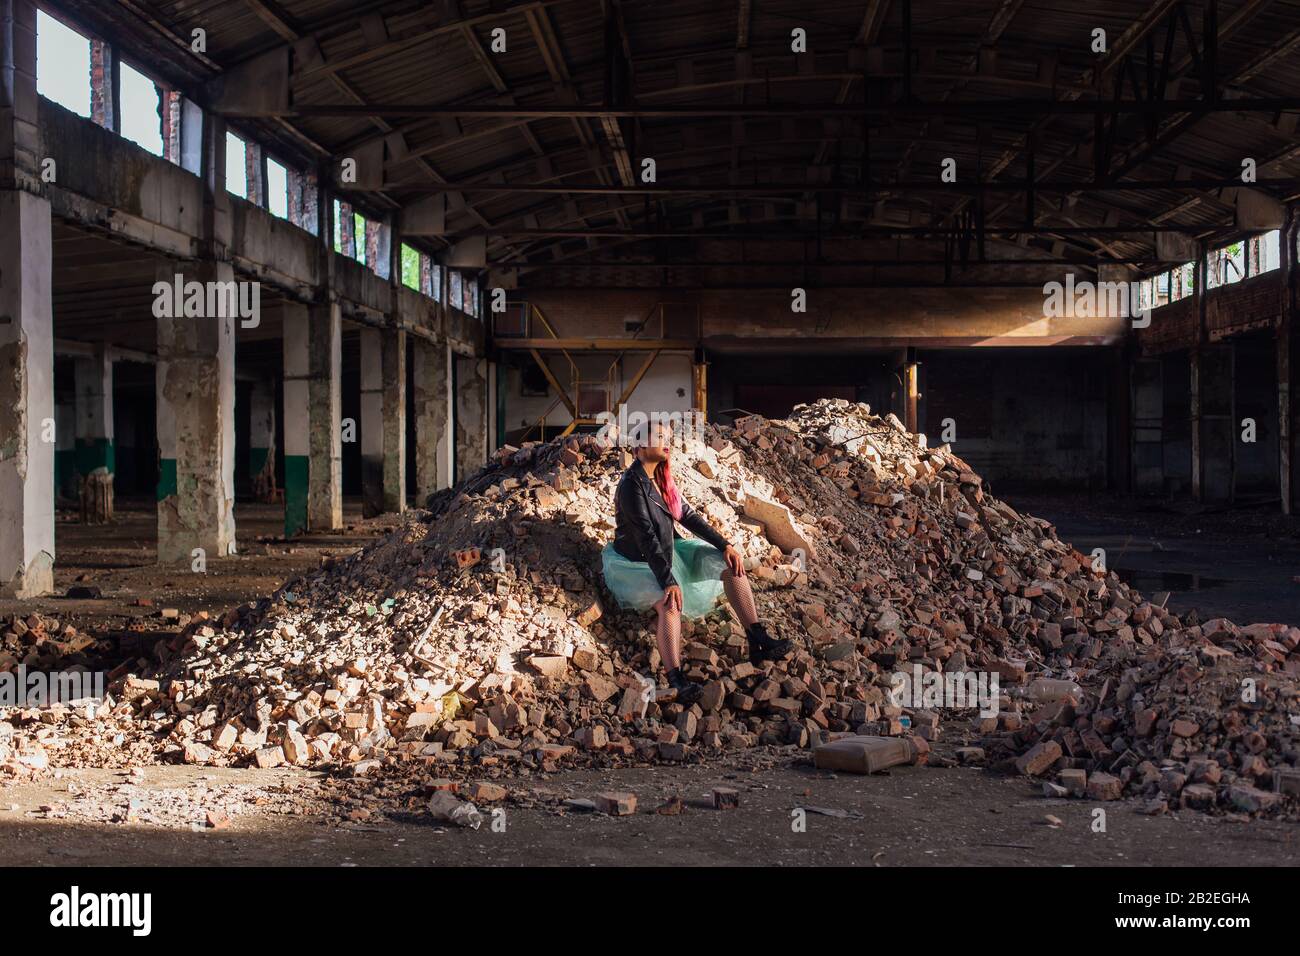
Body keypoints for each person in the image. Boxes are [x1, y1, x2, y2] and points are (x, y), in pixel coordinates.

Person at [601, 420, 794, 704]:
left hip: (671, 550)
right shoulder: (632, 485)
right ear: (639, 447)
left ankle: (758, 639)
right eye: (658, 436)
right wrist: (668, 581)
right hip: (638, 562)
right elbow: (645, 538)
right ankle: (676, 679)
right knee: (670, 604)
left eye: (667, 436)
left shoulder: (662, 477)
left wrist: (724, 544)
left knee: (732, 566)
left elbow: (688, 516)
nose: (666, 441)